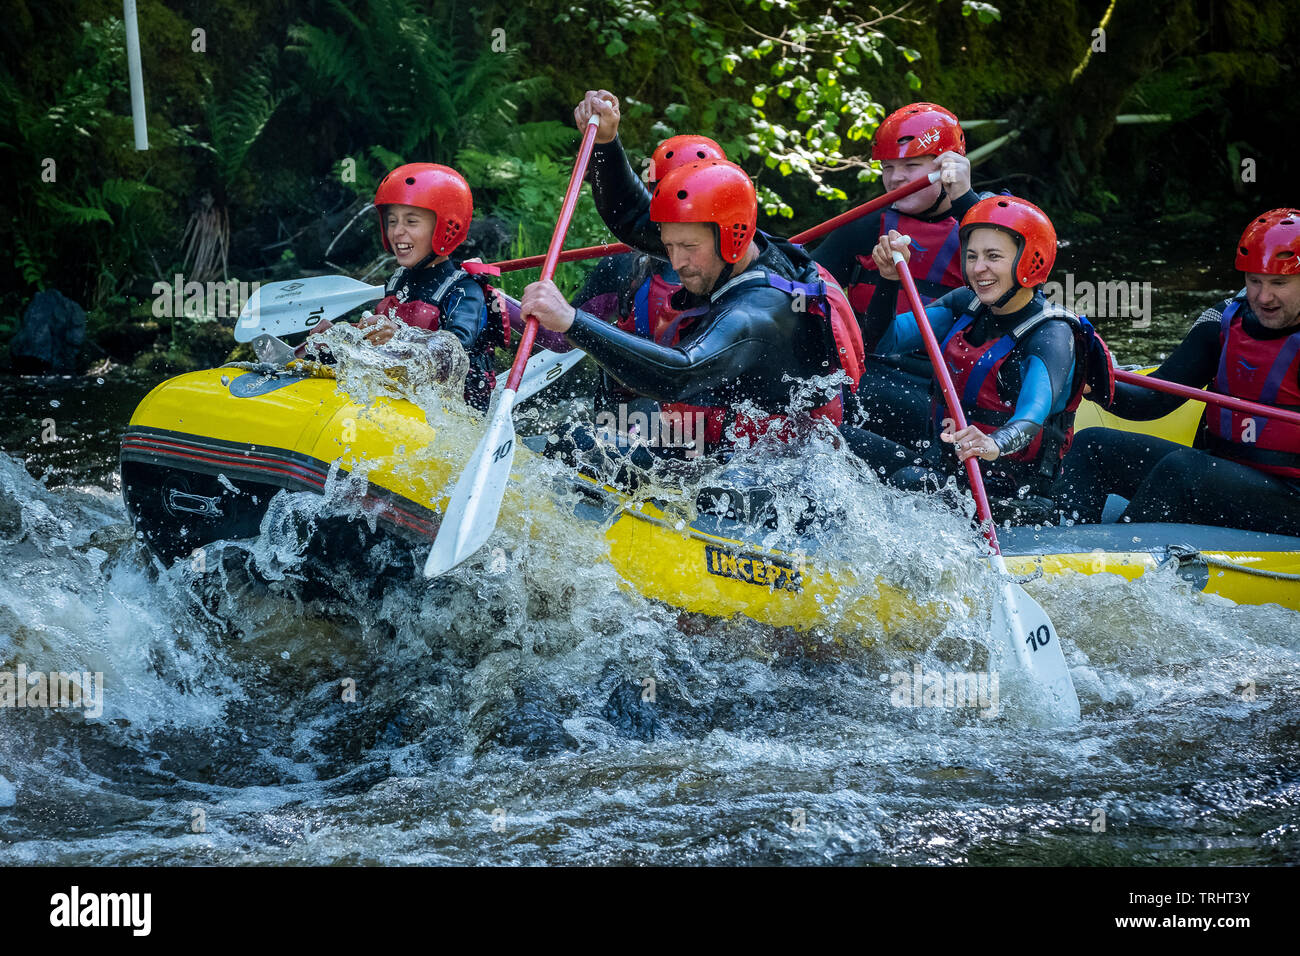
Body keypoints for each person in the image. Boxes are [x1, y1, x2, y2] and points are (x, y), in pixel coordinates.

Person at [518, 91, 864, 464]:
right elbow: (632, 217)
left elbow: (679, 373)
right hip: (714, 444)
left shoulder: (759, 311)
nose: (677, 262)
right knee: (580, 440)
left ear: (730, 236)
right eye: (669, 246)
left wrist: (571, 320)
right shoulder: (724, 243)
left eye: (687, 247)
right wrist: (606, 143)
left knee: (584, 450)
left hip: (779, 472)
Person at [842, 196, 1107, 517]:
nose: (978, 268)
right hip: (950, 470)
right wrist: (888, 281)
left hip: (1016, 494)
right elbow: (883, 342)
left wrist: (994, 444)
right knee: (840, 439)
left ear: (1030, 260)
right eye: (971, 256)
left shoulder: (1052, 334)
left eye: (993, 256)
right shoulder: (964, 305)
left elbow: (1032, 416)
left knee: (912, 480)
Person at [1054, 208, 1300, 534]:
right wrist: (1095, 383)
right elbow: (1154, 398)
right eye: (1254, 281)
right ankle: (1054, 549)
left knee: (1182, 471)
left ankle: (1112, 570)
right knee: (1091, 447)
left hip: (1289, 499)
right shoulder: (1223, 323)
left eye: (1279, 283)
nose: (1263, 296)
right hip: (1221, 473)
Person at [812, 103, 987, 441]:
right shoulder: (867, 224)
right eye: (888, 167)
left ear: (948, 166)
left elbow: (1022, 295)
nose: (895, 179)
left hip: (938, 387)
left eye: (911, 166)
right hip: (865, 369)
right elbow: (804, 281)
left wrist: (965, 199)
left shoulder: (982, 225)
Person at [310, 163, 509, 410]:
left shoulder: (464, 290)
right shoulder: (397, 281)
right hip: (403, 400)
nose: (397, 232)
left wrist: (401, 337)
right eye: (392, 221)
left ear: (445, 228)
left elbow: (454, 352)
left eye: (411, 222)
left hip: (458, 412)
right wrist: (339, 341)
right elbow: (377, 348)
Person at [570, 134, 729, 430]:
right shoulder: (622, 266)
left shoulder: (744, 281)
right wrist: (501, 304)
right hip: (631, 421)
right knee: (575, 440)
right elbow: (556, 337)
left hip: (698, 432)